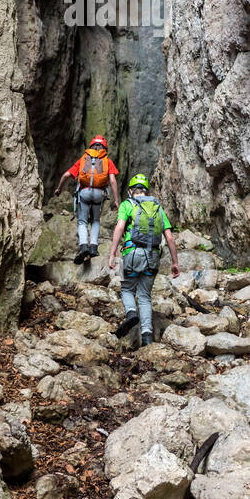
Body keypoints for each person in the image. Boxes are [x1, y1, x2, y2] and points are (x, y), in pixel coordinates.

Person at [108, 174, 179, 346]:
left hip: (131, 254)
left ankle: (132, 313)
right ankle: (147, 336)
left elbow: (120, 227)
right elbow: (169, 237)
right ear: (146, 191)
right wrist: (175, 263)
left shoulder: (127, 204)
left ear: (131, 191)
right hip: (152, 256)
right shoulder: (157, 208)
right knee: (145, 296)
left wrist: (112, 252)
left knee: (126, 289)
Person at [54, 136, 120, 263]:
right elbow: (112, 180)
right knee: (95, 221)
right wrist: (116, 200)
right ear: (104, 148)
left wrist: (59, 188)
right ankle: (94, 248)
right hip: (99, 194)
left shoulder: (84, 159)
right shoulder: (107, 161)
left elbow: (66, 175)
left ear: (91, 146)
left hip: (84, 192)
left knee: (82, 222)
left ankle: (84, 246)